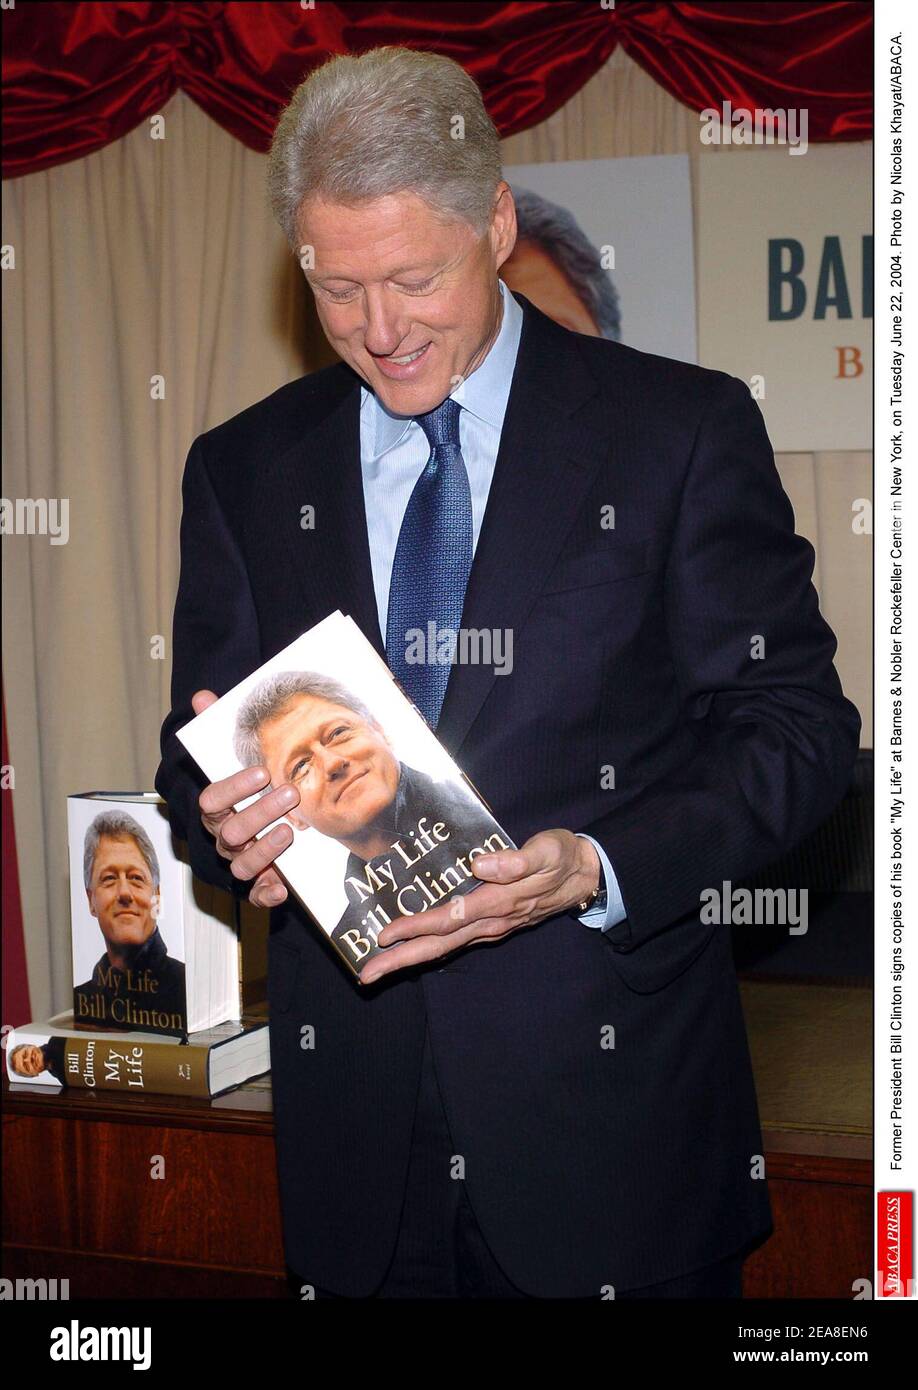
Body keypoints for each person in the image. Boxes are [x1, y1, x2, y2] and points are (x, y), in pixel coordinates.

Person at [155, 46, 860, 1299]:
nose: (380, 331)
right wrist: (220, 825)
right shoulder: (245, 469)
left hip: (616, 1140)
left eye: (416, 279)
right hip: (358, 1156)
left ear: (494, 221)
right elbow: (200, 746)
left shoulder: (677, 432)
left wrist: (596, 866)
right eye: (338, 289)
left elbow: (797, 731)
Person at [231, 669, 512, 972]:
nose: (333, 764)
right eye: (301, 766)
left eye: (338, 733)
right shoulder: (351, 939)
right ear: (289, 815)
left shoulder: (504, 843)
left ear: (380, 730)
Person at [73, 811, 186, 1031]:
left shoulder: (193, 990)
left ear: (157, 896)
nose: (124, 892)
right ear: (91, 901)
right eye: (109, 878)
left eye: (136, 878)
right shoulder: (80, 1006)